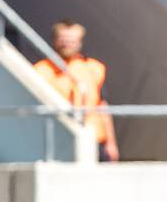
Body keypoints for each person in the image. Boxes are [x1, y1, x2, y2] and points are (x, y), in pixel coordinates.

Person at [32, 20, 118, 162]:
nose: (67, 44)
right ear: (54, 40)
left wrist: (111, 143)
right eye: (63, 39)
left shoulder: (93, 68)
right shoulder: (41, 70)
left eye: (72, 40)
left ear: (80, 42)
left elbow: (102, 106)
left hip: (95, 139)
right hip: (59, 139)